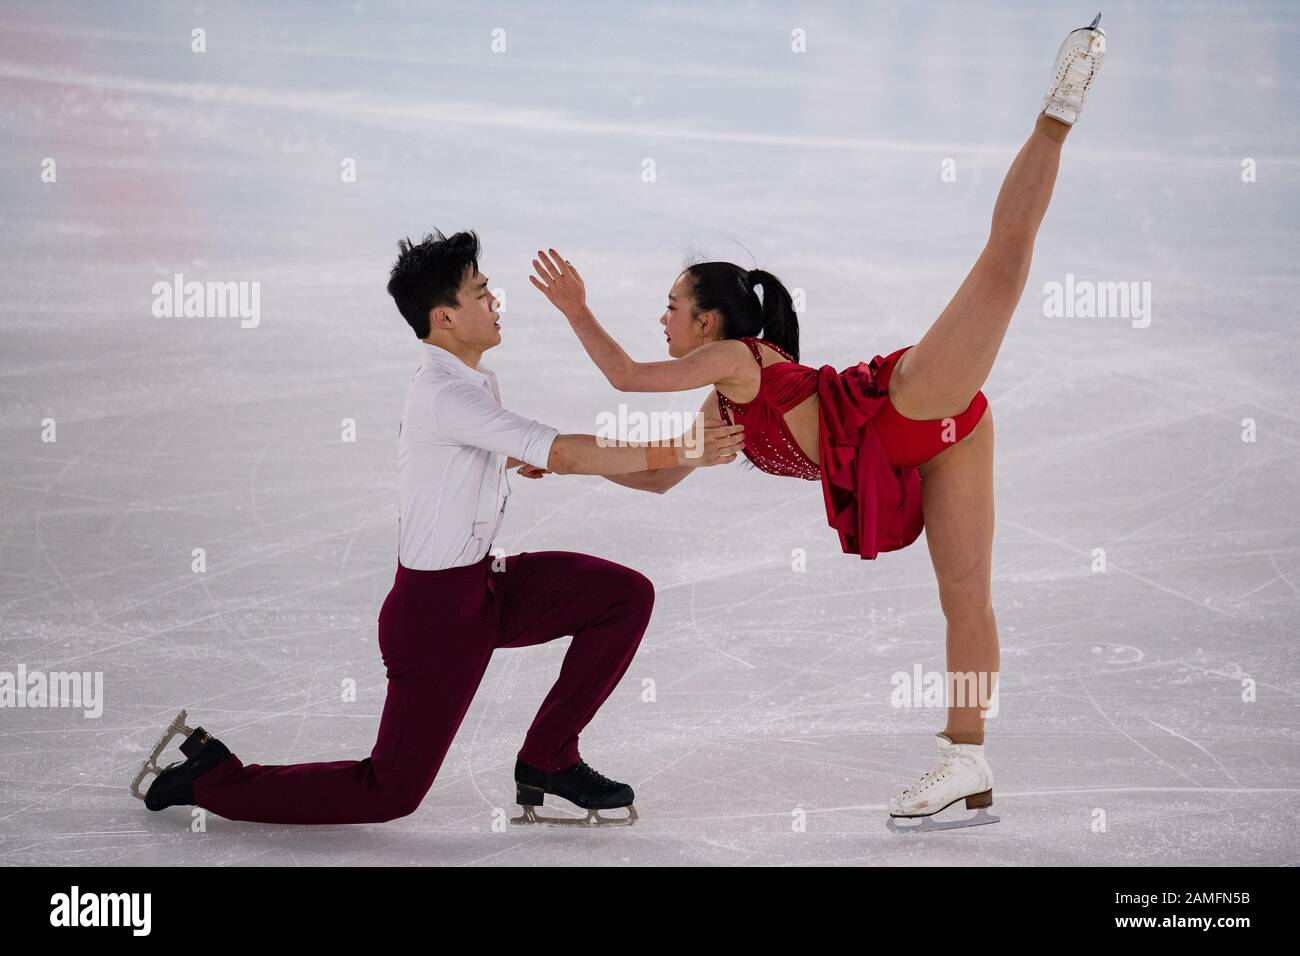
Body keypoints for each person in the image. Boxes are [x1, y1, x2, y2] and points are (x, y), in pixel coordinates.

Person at [527, 17, 1107, 828]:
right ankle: (966, 759)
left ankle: (1060, 105)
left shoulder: (739, 361)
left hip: (907, 404)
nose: (661, 317)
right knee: (966, 600)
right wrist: (552, 459)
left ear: (709, 324)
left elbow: (628, 377)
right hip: (947, 444)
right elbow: (659, 475)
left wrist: (577, 310)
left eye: (671, 306)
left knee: (1004, 264)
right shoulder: (721, 400)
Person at [130, 230, 745, 827]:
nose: (493, 300)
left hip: (486, 586)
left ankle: (549, 757)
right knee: (388, 794)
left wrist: (502, 458)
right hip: (434, 618)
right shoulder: (446, 393)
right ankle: (212, 777)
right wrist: (682, 446)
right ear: (443, 317)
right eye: (479, 292)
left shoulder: (466, 384)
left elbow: (479, 454)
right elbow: (568, 454)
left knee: (623, 596)